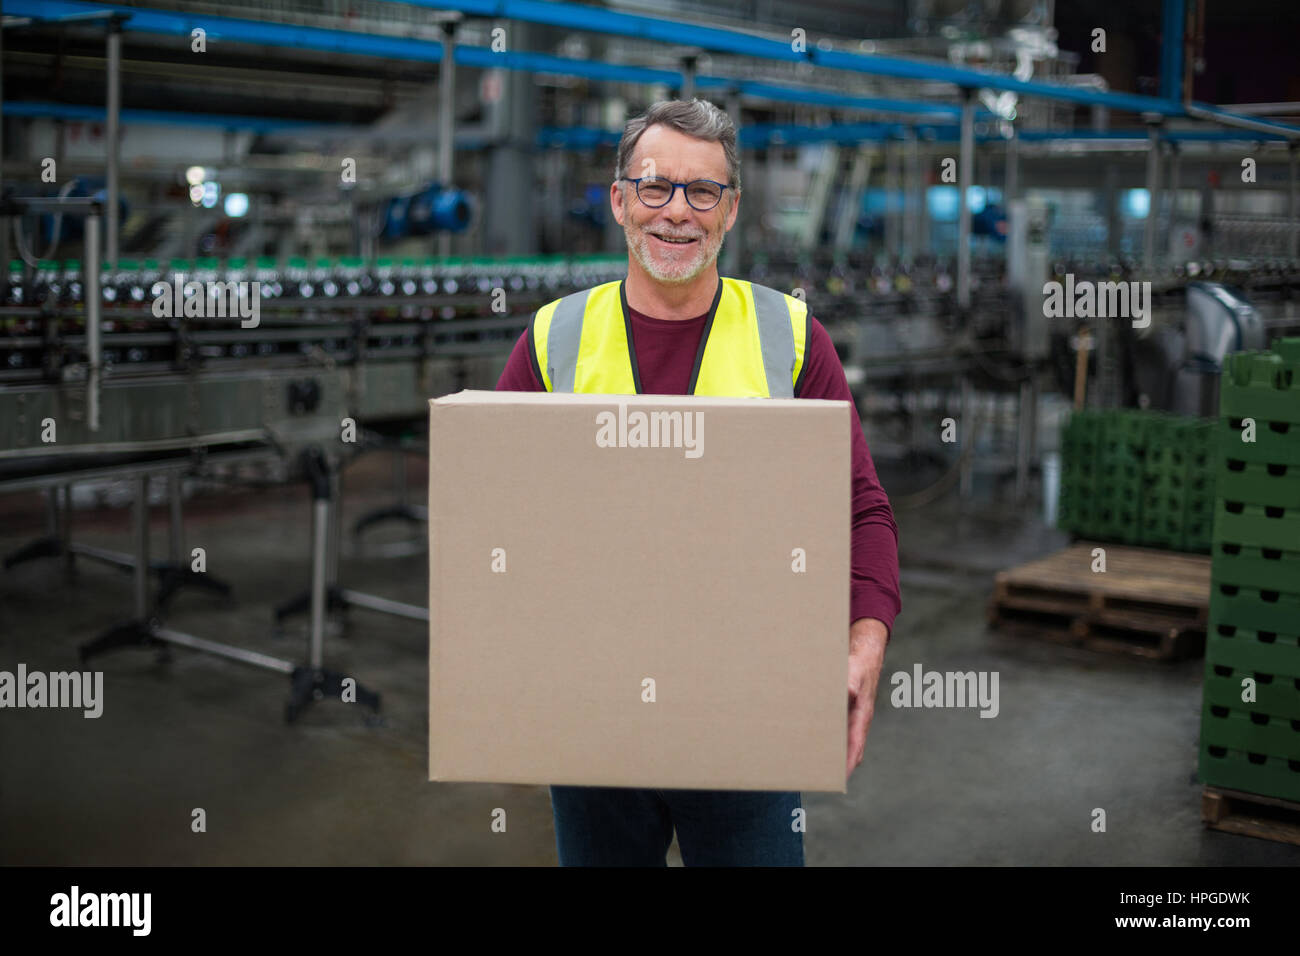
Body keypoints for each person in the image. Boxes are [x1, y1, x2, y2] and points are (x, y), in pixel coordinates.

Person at [495, 99, 900, 866]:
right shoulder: (555, 338)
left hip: (745, 717)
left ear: (731, 210)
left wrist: (863, 642)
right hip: (597, 724)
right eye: (655, 187)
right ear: (619, 201)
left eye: (702, 191)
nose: (677, 212)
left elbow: (861, 509)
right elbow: (496, 521)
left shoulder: (790, 338)